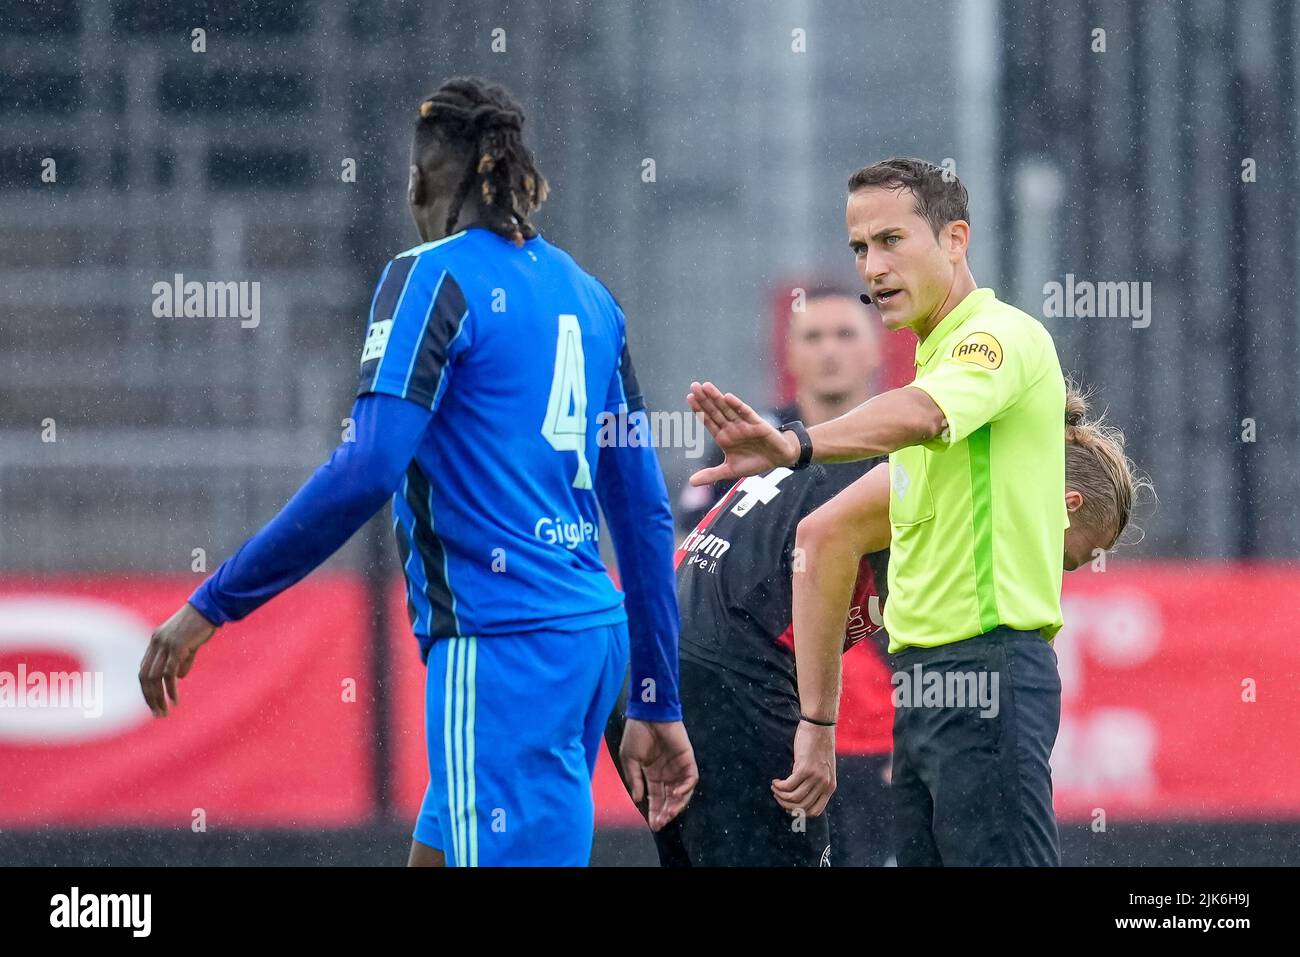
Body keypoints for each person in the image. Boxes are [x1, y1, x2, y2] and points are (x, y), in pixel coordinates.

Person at [137, 77, 697, 867]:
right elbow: (641, 513)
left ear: (420, 180)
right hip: (586, 644)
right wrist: (654, 691)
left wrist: (214, 602)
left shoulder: (430, 276)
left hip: (502, 649)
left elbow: (367, 467)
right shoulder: (592, 296)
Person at [687, 157, 1073, 865]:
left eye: (893, 240)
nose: (873, 265)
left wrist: (795, 444)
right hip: (919, 691)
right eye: (860, 247)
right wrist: (817, 721)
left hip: (986, 670)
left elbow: (922, 413)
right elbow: (825, 532)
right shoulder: (936, 365)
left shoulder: (998, 336)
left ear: (957, 238)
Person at [607, 381, 1137, 866]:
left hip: (644, 662)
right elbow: (824, 540)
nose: (1051, 574)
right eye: (1067, 560)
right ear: (1069, 505)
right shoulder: (945, 474)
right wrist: (819, 727)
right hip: (727, 681)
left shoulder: (886, 444)